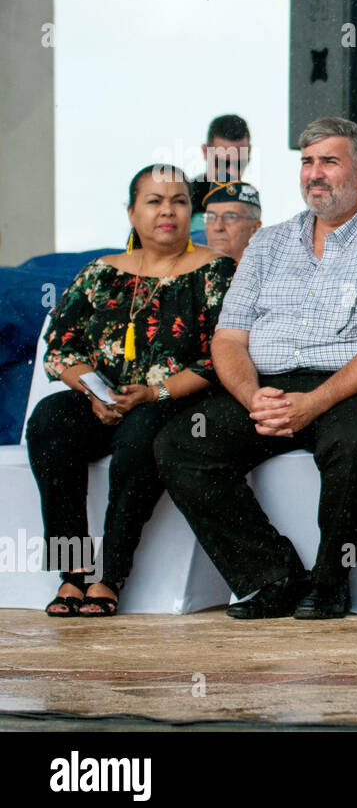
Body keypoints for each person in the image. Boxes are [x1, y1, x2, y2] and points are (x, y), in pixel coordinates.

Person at [155, 117, 357, 620]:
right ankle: (271, 576)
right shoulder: (270, 242)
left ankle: (331, 580)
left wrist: (316, 401)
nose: (315, 174)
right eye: (307, 163)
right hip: (273, 387)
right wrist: (252, 398)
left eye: (329, 162)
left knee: (356, 441)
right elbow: (229, 337)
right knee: (182, 443)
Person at [27, 164, 233, 617]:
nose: (168, 211)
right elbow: (61, 344)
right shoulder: (101, 272)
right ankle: (72, 573)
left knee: (142, 432)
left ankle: (111, 574)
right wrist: (95, 392)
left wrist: (154, 393)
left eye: (179, 201)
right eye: (155, 201)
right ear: (132, 213)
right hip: (101, 401)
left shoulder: (216, 271)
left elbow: (222, 356)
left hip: (172, 402)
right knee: (48, 422)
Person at [190, 114, 252, 246]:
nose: (230, 172)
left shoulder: (249, 198)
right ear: (206, 151)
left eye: (238, 164)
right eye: (221, 163)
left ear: (249, 152)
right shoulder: (184, 197)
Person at [201, 181, 262, 264]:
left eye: (230, 217)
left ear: (255, 229)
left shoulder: (271, 274)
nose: (218, 227)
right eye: (210, 217)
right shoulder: (190, 272)